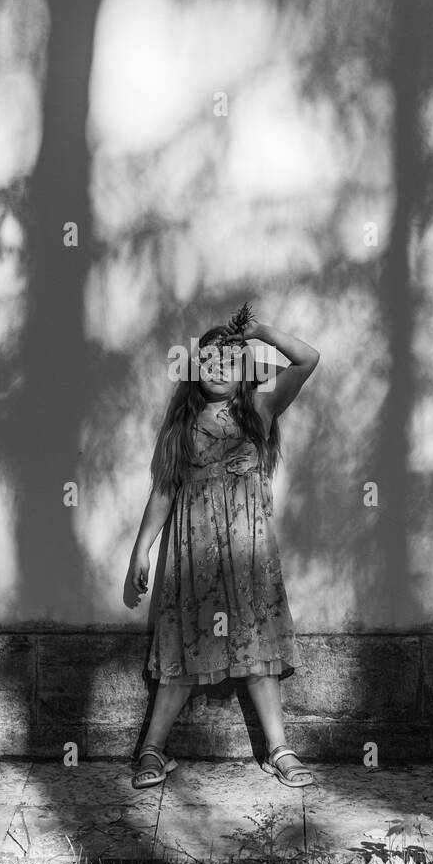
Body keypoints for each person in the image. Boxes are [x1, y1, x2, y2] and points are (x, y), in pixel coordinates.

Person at [123, 304, 320, 790]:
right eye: (207, 361)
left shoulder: (257, 409)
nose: (217, 368)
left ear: (245, 374)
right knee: (185, 651)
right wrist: (142, 549)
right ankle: (151, 750)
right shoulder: (182, 427)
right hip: (195, 555)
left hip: (248, 551)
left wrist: (258, 335)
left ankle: (279, 750)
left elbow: (307, 359)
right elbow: (164, 491)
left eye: (229, 363)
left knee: (256, 650)